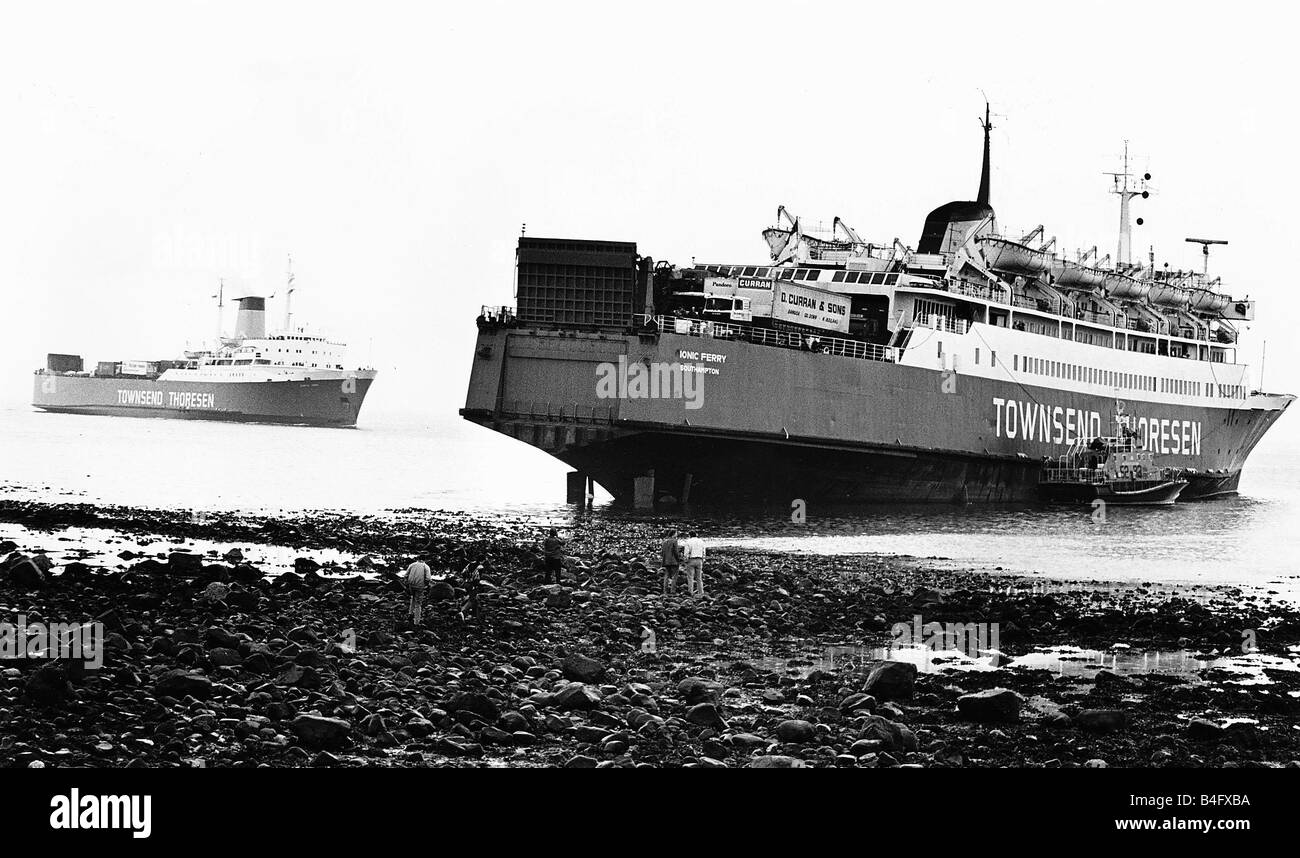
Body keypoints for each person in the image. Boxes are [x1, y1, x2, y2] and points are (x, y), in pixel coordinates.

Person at [404, 557, 432, 625]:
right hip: (420, 586)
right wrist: (426, 585)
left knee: (412, 598)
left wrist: (407, 583)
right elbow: (428, 578)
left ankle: (410, 613)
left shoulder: (412, 565)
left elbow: (406, 575)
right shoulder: (426, 566)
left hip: (411, 585)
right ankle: (416, 621)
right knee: (418, 603)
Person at [660, 529, 684, 595]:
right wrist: (678, 559)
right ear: (673, 534)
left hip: (666, 561)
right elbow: (676, 552)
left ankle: (665, 590)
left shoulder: (665, 542)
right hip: (673, 561)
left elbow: (662, 552)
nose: (677, 534)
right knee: (675, 576)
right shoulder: (674, 541)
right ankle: (672, 590)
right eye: (676, 533)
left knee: (666, 575)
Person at [683, 530, 706, 597]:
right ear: (696, 535)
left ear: (689, 535)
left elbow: (686, 552)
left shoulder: (688, 542)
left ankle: (691, 592)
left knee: (690, 577)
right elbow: (704, 551)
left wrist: (686, 560)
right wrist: (703, 559)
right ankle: (701, 592)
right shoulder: (701, 541)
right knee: (699, 578)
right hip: (699, 560)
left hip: (691, 560)